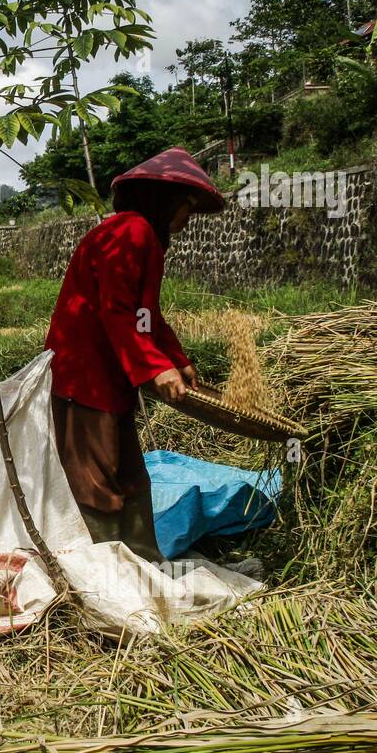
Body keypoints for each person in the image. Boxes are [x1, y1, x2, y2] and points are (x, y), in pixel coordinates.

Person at [43, 147, 225, 563]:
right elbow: (117, 310)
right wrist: (154, 367)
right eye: (185, 209)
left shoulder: (145, 238)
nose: (184, 221)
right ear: (164, 202)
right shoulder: (131, 232)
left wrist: (177, 358)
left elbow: (147, 315)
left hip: (111, 376)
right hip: (84, 376)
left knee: (127, 470)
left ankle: (143, 560)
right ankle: (103, 570)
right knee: (96, 473)